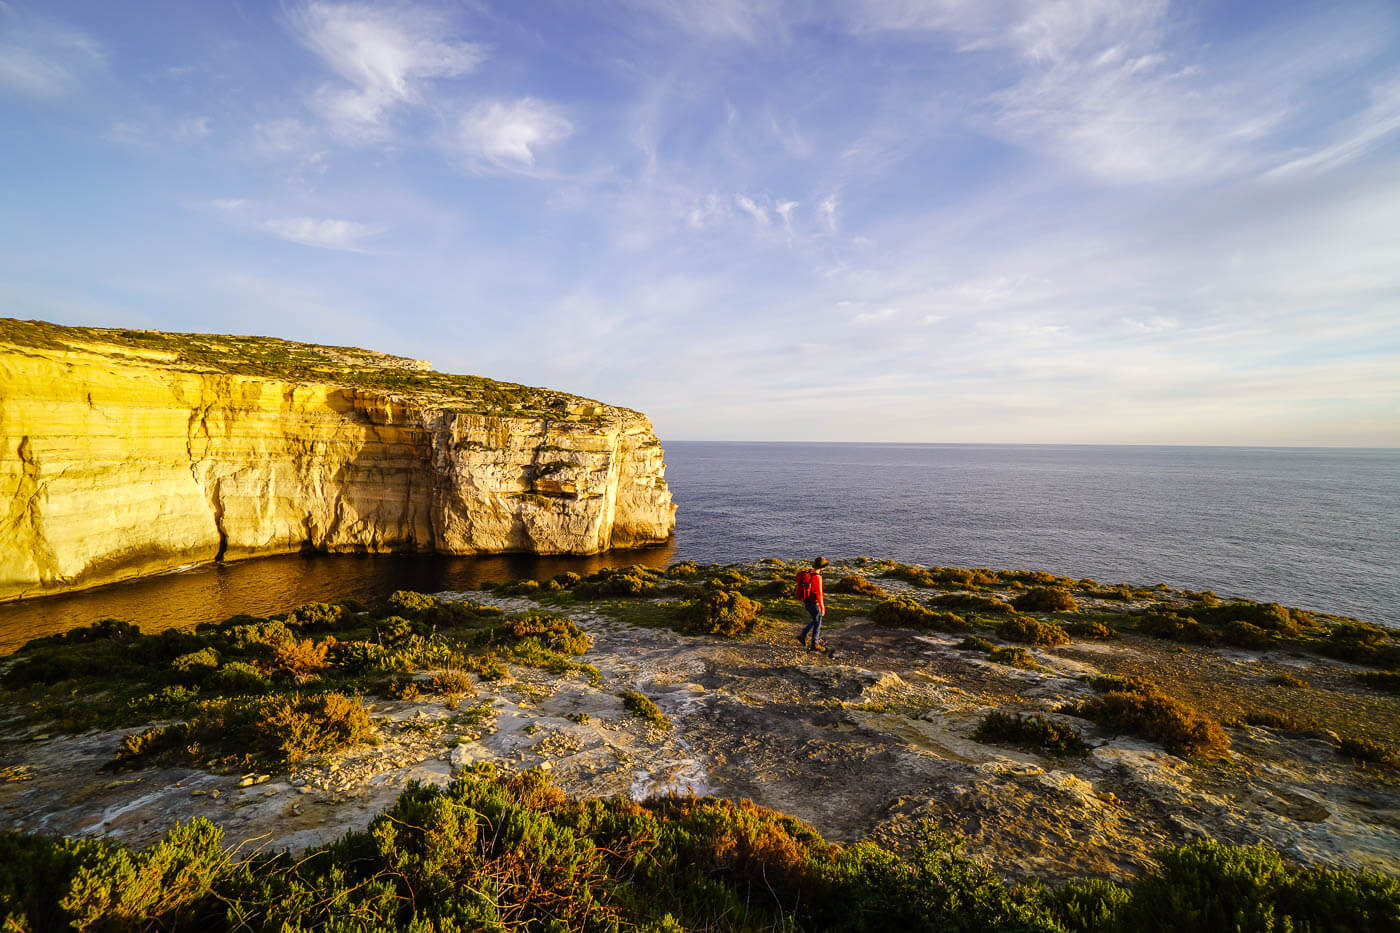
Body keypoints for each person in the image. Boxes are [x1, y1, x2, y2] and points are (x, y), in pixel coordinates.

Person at [796, 556, 828, 651]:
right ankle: (814, 643)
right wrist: (822, 607)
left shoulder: (809, 573)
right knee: (818, 621)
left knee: (816, 619)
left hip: (807, 601)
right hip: (813, 602)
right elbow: (819, 594)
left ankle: (803, 635)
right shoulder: (817, 577)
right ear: (822, 567)